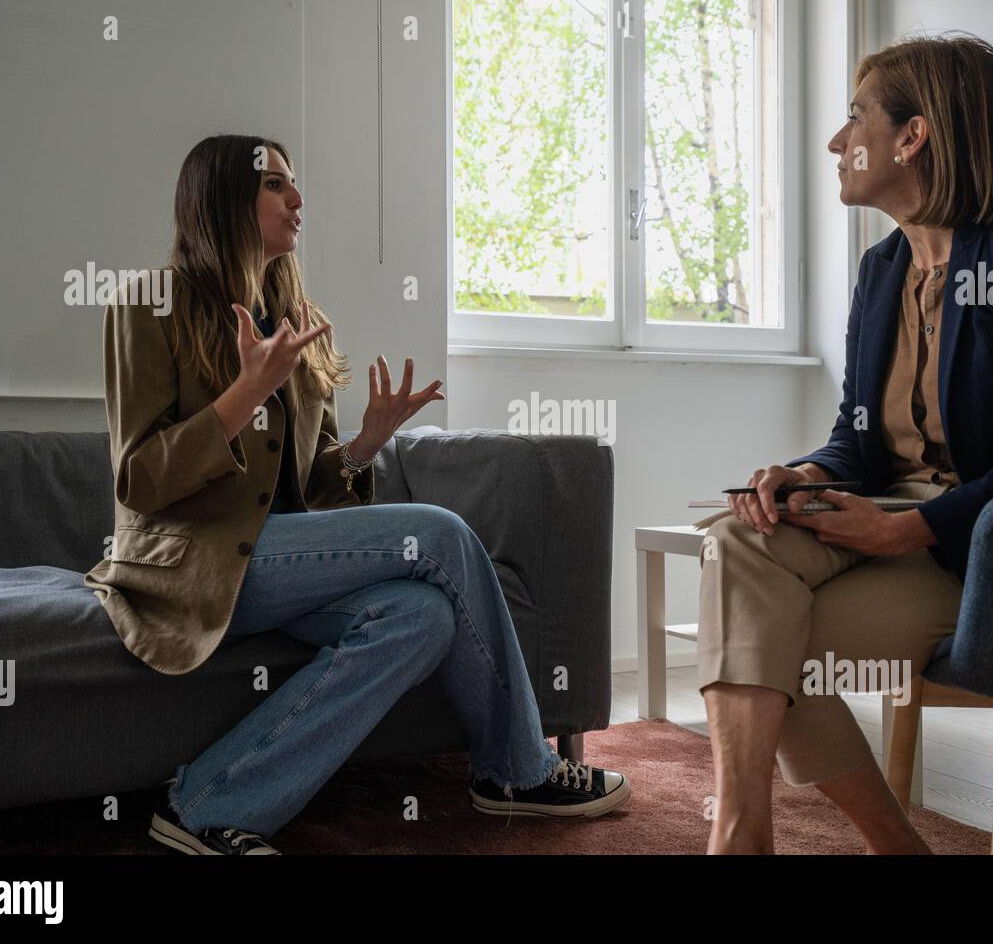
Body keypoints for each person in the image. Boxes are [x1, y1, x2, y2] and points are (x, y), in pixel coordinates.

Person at [83, 134, 629, 855]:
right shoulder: (149, 302)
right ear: (222, 198)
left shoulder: (296, 317)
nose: (297, 199)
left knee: (423, 616)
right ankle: (517, 771)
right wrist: (243, 395)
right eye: (275, 184)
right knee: (439, 534)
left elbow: (311, 493)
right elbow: (141, 479)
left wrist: (368, 443)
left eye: (294, 183)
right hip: (190, 564)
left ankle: (209, 805)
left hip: (275, 567)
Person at [696, 34, 993, 854]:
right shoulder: (882, 269)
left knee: (765, 652)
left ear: (913, 136)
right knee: (739, 538)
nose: (837, 141)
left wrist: (908, 528)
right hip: (917, 536)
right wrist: (805, 473)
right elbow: (859, 440)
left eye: (855, 117)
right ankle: (756, 834)